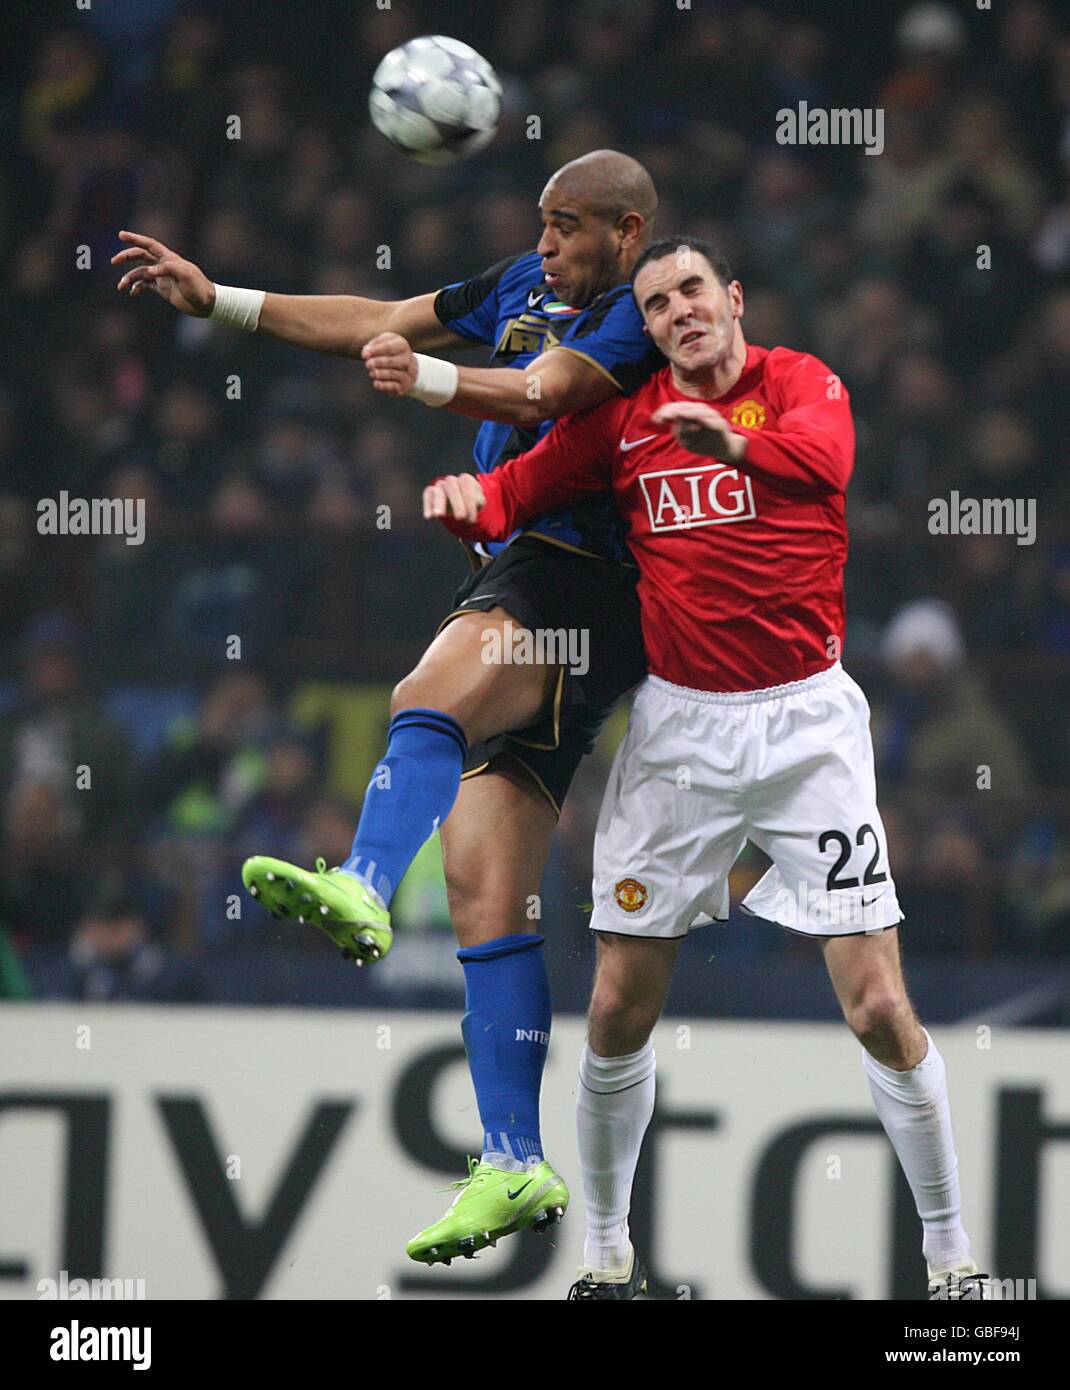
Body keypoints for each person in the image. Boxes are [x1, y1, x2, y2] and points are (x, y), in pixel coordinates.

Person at [112, 151, 664, 1262]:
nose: (548, 242)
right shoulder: (520, 283)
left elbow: (547, 393)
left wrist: (423, 383)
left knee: (426, 694)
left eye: (569, 226)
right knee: (484, 888)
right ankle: (512, 1159)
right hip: (527, 570)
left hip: (577, 571)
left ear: (629, 232)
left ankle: (362, 880)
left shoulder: (638, 314)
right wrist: (221, 298)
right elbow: (380, 314)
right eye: (542, 223)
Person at [425, 235, 988, 1301]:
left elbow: (824, 464)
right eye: (657, 300)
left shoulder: (799, 383)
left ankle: (951, 1259)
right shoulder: (623, 423)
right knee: (613, 1010)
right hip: (679, 735)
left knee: (874, 1005)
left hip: (804, 729)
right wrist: (471, 501)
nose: (678, 308)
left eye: (693, 289)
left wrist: (726, 445)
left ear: (730, 299)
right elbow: (521, 493)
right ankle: (603, 1263)